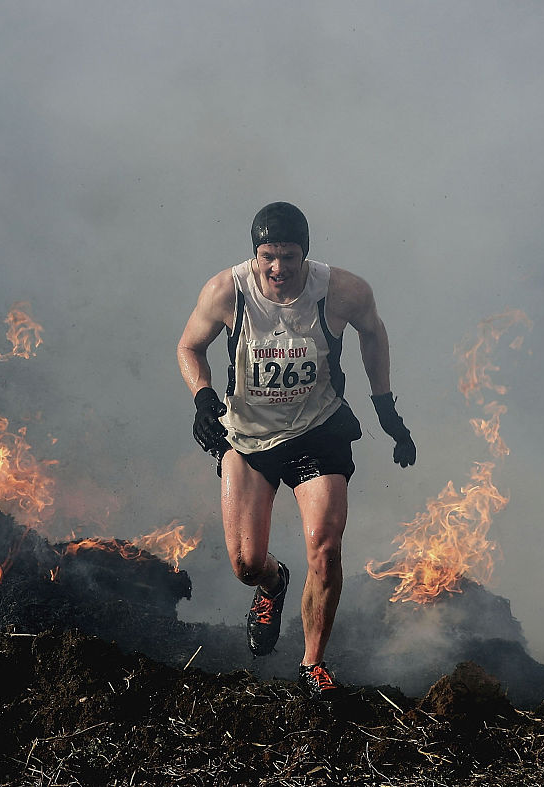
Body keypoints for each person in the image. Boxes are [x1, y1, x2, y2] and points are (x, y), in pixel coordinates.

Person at [176, 201, 416, 699]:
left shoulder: (343, 291)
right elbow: (188, 347)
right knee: (245, 563)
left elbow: (373, 334)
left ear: (306, 255)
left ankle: (312, 665)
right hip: (247, 437)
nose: (279, 269)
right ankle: (272, 584)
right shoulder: (227, 291)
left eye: (289, 257)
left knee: (325, 549)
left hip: (318, 431)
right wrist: (202, 400)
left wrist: (386, 408)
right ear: (255, 255)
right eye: (269, 257)